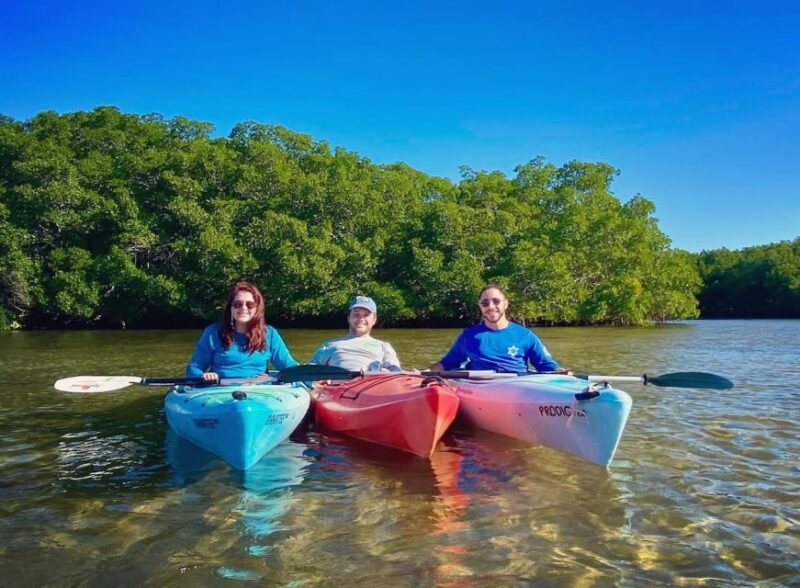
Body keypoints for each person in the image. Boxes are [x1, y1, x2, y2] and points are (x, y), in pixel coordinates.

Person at [428, 284, 562, 373]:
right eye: (485, 303)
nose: (491, 306)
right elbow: (447, 363)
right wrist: (423, 374)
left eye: (496, 301)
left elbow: (546, 365)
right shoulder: (469, 336)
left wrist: (564, 375)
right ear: (480, 306)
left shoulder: (525, 335)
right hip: (481, 388)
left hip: (519, 386)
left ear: (505, 304)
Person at [186, 281, 299, 381]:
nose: (243, 308)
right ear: (231, 308)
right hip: (220, 391)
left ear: (257, 308)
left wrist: (307, 375)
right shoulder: (212, 333)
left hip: (259, 390)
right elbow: (194, 368)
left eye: (250, 305)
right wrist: (203, 376)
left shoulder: (270, 334)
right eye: (237, 304)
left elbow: (288, 365)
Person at [309, 296, 402, 372]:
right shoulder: (329, 345)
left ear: (374, 320)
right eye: (356, 314)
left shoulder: (384, 347)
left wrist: (388, 374)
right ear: (348, 318)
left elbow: (396, 373)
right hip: (338, 386)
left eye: (366, 315)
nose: (361, 319)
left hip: (371, 385)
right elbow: (309, 371)